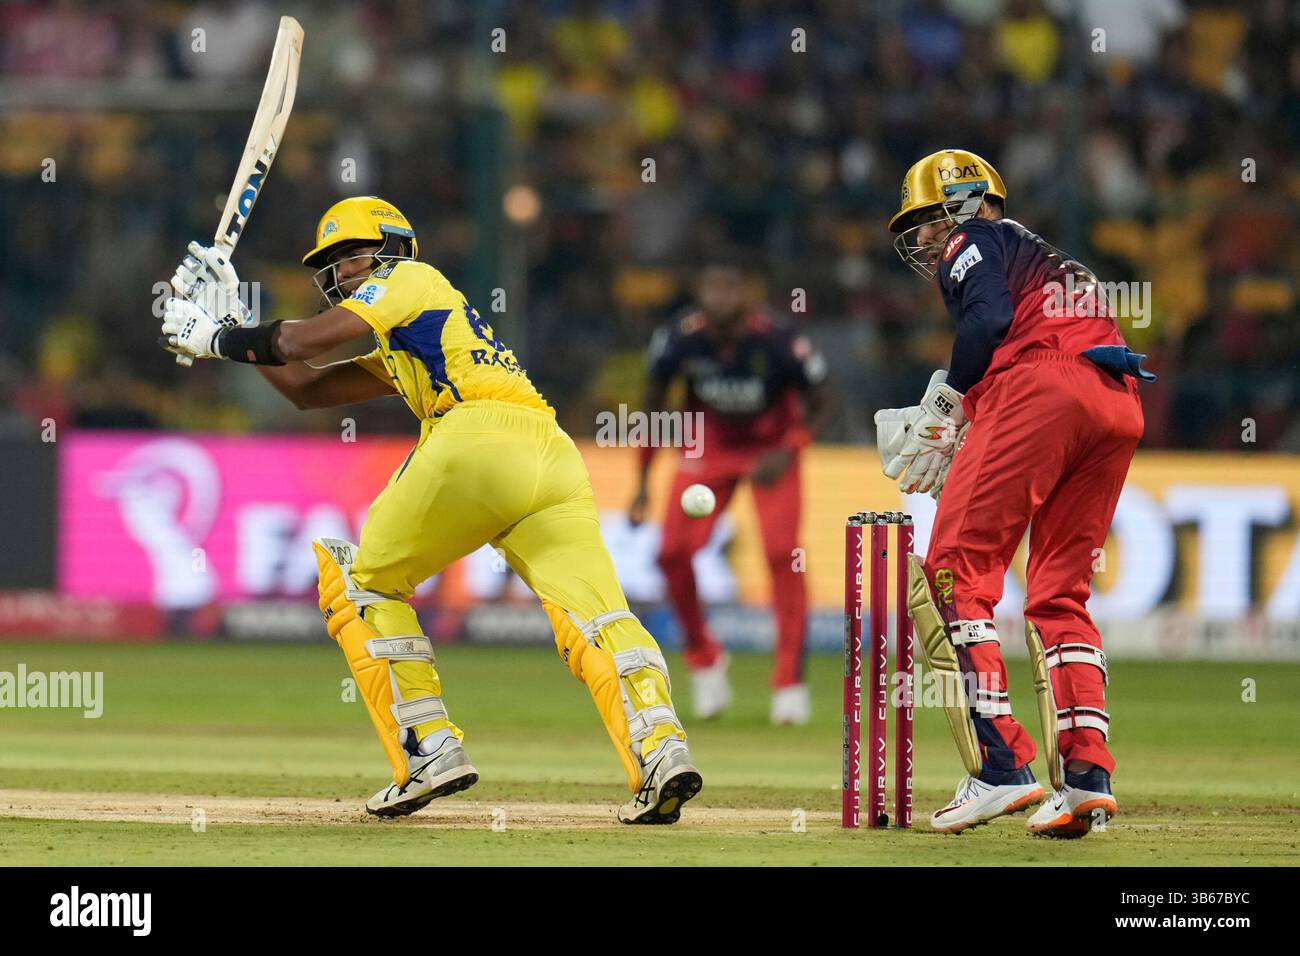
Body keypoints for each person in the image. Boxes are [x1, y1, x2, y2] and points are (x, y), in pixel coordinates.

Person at [160, 196, 701, 824]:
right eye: (332, 263)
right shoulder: (414, 331)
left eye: (354, 255)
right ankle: (661, 750)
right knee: (598, 616)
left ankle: (429, 750)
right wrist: (234, 323)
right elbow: (307, 387)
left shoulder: (407, 279)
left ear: (393, 249)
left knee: (363, 583)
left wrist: (219, 336)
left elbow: (301, 339)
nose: (343, 273)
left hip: (476, 440)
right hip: (550, 458)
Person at [878, 150, 1153, 837]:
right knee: (1059, 594)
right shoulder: (1057, 260)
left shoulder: (979, 237)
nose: (924, 239)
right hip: (1115, 402)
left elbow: (988, 322)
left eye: (930, 219)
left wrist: (950, 403)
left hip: (1041, 391)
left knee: (950, 576)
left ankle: (1000, 768)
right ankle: (1087, 779)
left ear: (969, 202)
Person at [629, 255, 830, 724]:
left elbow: (822, 399)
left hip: (771, 449)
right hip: (708, 446)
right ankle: (705, 657)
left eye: (729, 288)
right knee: (672, 553)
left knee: (783, 553)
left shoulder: (778, 339)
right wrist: (641, 483)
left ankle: (788, 681)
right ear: (701, 294)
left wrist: (791, 447)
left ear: (745, 295)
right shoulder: (680, 339)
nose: (720, 298)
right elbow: (652, 405)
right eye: (712, 288)